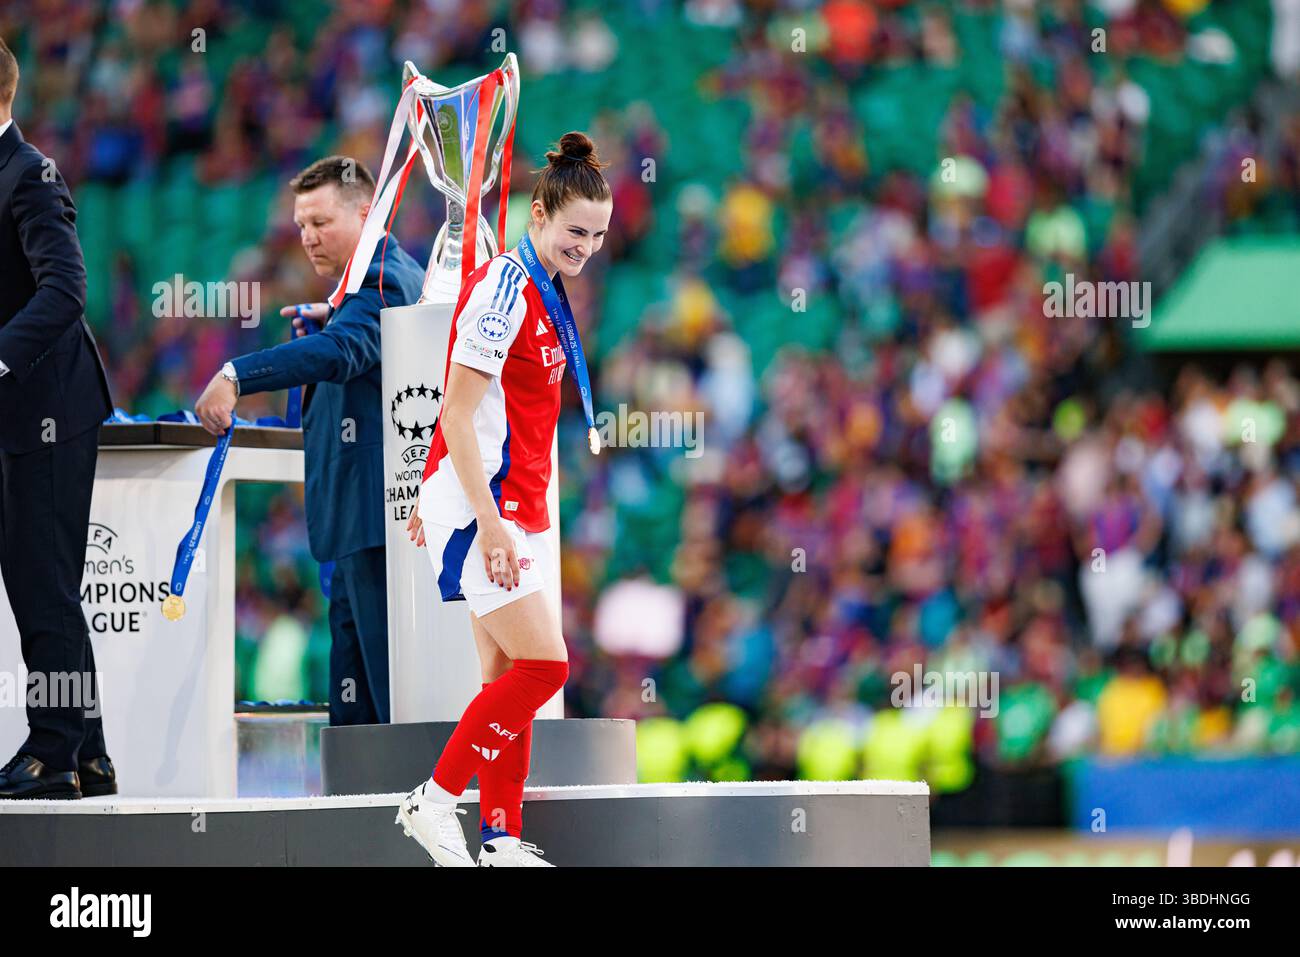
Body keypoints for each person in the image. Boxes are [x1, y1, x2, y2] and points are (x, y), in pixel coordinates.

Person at [396, 132, 613, 867]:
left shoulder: (544, 287)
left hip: (506, 504)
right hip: (482, 507)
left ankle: (500, 839)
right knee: (545, 668)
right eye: (575, 230)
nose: (585, 247)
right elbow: (455, 412)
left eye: (598, 236)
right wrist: (482, 522)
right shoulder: (501, 287)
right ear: (539, 212)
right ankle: (433, 800)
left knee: (506, 678)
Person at [194, 155, 423, 726]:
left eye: (321, 222)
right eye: (300, 225)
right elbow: (357, 348)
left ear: (368, 214)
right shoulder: (372, 285)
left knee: (386, 715)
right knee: (358, 720)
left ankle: (405, 813)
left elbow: (342, 354)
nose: (307, 238)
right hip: (360, 529)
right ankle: (362, 814)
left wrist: (237, 375)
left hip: (376, 529)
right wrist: (333, 320)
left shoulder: (382, 279)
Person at [0, 36, 116, 799]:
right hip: (22, 411)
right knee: (44, 584)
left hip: (47, 411)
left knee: (42, 586)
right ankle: (92, 751)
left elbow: (66, 291)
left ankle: (54, 753)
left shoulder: (29, 175)